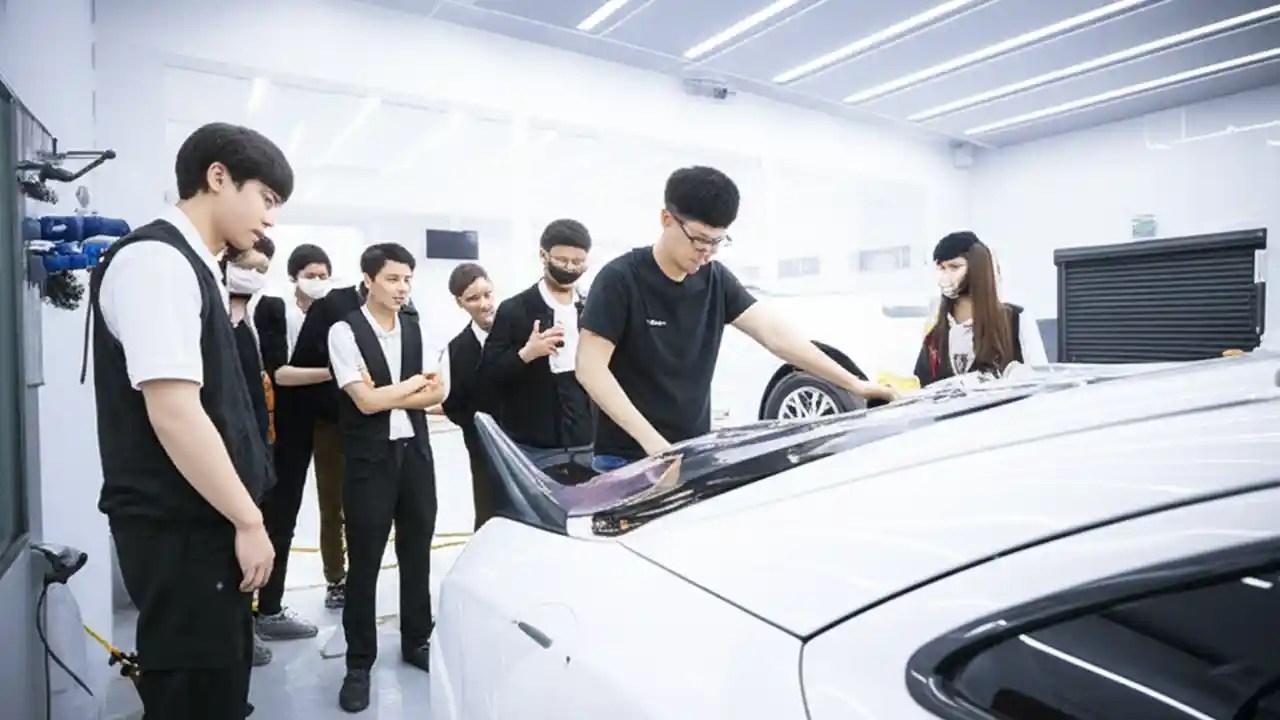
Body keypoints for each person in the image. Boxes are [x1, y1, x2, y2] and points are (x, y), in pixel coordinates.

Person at [87, 121, 291, 718]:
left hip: (203, 525)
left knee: (219, 686)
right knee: (193, 696)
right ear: (218, 177)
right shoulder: (156, 261)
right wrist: (249, 519)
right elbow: (175, 412)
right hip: (180, 531)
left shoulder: (196, 266)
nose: (270, 219)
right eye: (267, 199)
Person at [577, 166, 899, 473]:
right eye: (700, 239)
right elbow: (590, 369)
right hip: (626, 461)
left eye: (717, 242)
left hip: (691, 453)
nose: (707, 252)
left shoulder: (715, 280)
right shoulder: (619, 280)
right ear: (666, 220)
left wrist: (854, 384)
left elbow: (775, 335)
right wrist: (656, 447)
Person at [327, 243, 443, 712]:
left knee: (417, 554)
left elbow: (440, 393)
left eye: (408, 279)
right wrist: (414, 386)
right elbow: (365, 403)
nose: (402, 288)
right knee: (366, 564)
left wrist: (393, 391)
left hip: (416, 454)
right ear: (369, 279)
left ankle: (417, 640)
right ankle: (359, 663)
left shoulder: (418, 326)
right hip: (368, 461)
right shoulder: (344, 330)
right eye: (393, 278)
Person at [221, 239, 324, 651]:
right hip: (235, 443)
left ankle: (269, 611)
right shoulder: (219, 316)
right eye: (246, 265)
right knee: (241, 530)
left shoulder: (248, 319)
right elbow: (275, 374)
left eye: (262, 267)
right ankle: (237, 628)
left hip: (277, 436)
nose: (254, 274)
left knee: (281, 523)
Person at [262, 244, 350, 610]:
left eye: (323, 275)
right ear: (293, 276)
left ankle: (337, 578)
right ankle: (268, 601)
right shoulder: (275, 309)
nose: (317, 282)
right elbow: (279, 373)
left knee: (336, 503)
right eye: (310, 275)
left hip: (330, 419)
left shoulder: (337, 311)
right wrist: (335, 372)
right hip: (289, 424)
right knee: (282, 510)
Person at [479, 220, 594, 469]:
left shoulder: (592, 306)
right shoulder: (514, 310)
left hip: (587, 438)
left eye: (578, 262)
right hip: (533, 444)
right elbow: (488, 377)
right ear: (543, 255)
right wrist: (526, 355)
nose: (570, 268)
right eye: (562, 260)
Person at [913, 231, 1047, 386]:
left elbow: (1041, 384)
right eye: (942, 268)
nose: (946, 275)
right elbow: (921, 389)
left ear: (977, 268)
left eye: (954, 267)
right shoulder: (935, 337)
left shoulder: (1016, 321)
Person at [437, 262, 499, 528]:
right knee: (488, 510)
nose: (484, 304)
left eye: (487, 294)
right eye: (473, 298)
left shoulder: (520, 332)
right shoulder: (456, 350)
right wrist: (478, 428)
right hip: (483, 446)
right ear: (459, 303)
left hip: (531, 441)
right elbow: (454, 404)